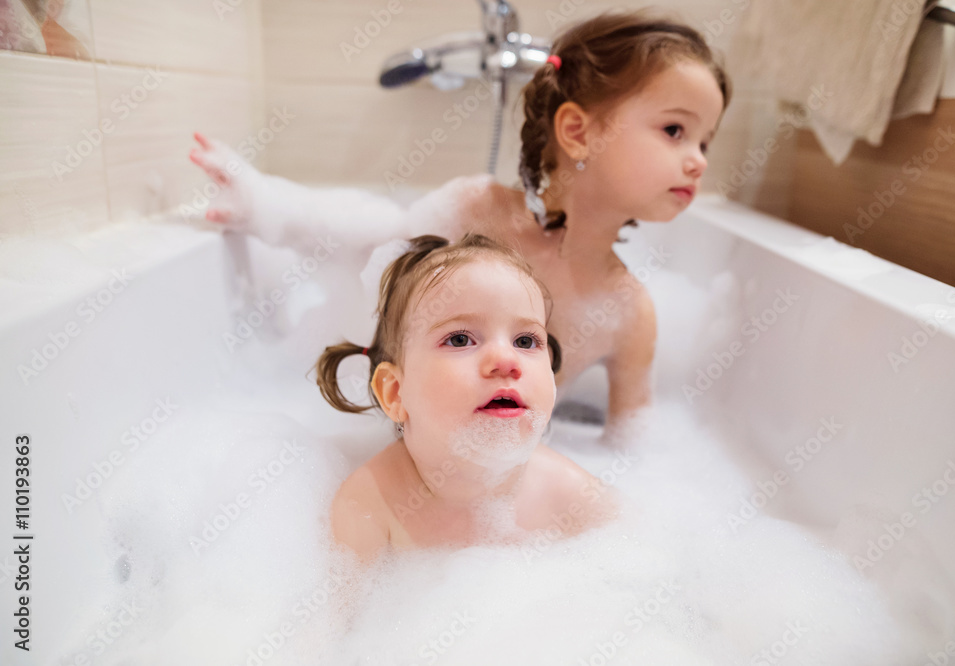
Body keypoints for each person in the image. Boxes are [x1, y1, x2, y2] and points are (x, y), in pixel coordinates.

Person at [188, 9, 731, 439]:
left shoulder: (630, 313)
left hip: (493, 478)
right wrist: (272, 210)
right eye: (675, 130)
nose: (698, 160)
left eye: (706, 140)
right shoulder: (478, 211)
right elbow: (373, 246)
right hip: (383, 437)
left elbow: (635, 448)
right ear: (578, 132)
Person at [317, 233, 614, 561]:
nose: (505, 361)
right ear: (396, 393)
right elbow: (335, 609)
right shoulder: (371, 504)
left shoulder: (571, 496)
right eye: (460, 340)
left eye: (526, 341)